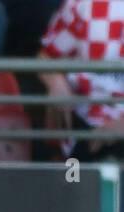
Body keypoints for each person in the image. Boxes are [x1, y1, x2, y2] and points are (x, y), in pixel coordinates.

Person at [38, 0, 124, 160]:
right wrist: (56, 83)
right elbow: (47, 56)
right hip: (85, 122)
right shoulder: (80, 4)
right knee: (74, 176)